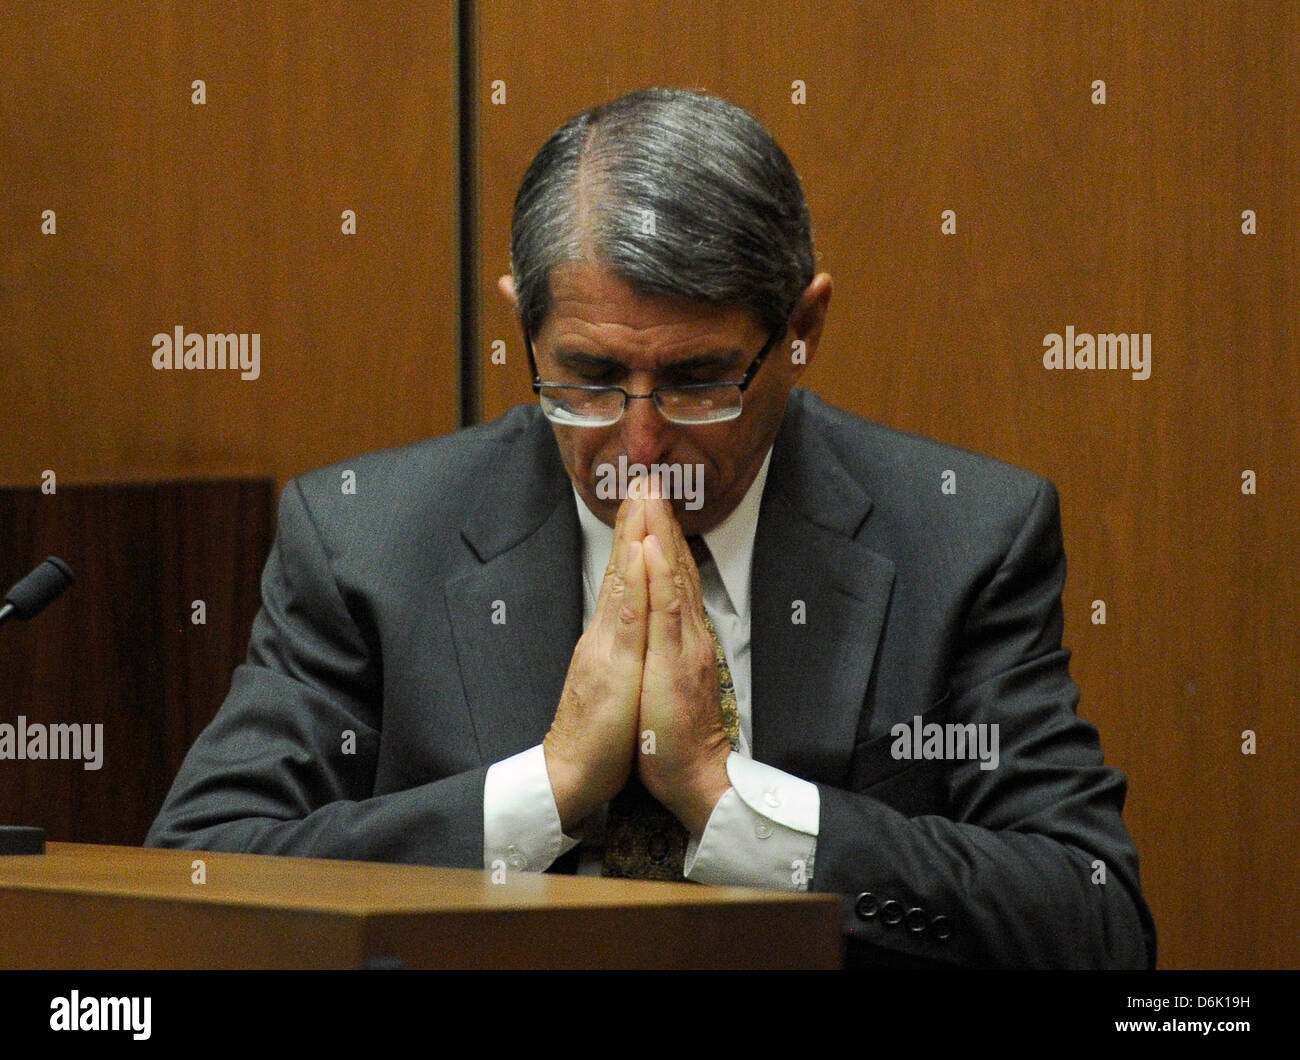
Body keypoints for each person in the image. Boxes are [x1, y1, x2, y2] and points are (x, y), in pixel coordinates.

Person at [146, 87, 1156, 969]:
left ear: (801, 332)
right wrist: (546, 790)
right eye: (586, 377)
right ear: (521, 329)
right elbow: (199, 876)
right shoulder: (364, 541)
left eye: (695, 379)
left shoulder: (963, 537)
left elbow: (1091, 916)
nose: (638, 439)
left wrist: (732, 805)